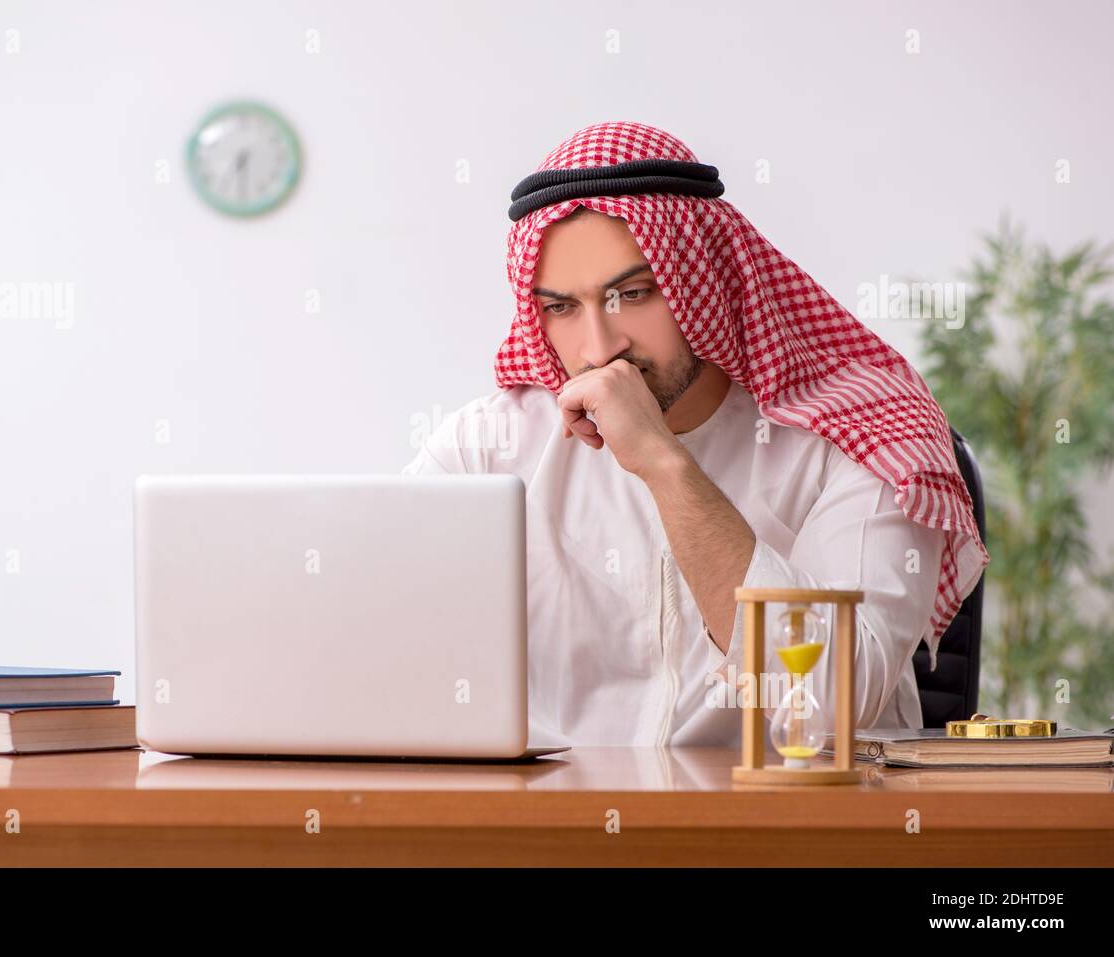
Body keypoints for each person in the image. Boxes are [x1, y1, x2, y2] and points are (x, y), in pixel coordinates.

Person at [401, 121, 989, 748]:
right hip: (554, 832)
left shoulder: (857, 433)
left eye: (632, 293)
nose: (599, 348)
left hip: (799, 834)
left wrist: (662, 462)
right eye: (561, 307)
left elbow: (831, 710)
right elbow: (381, 636)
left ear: (700, 279)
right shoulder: (487, 445)